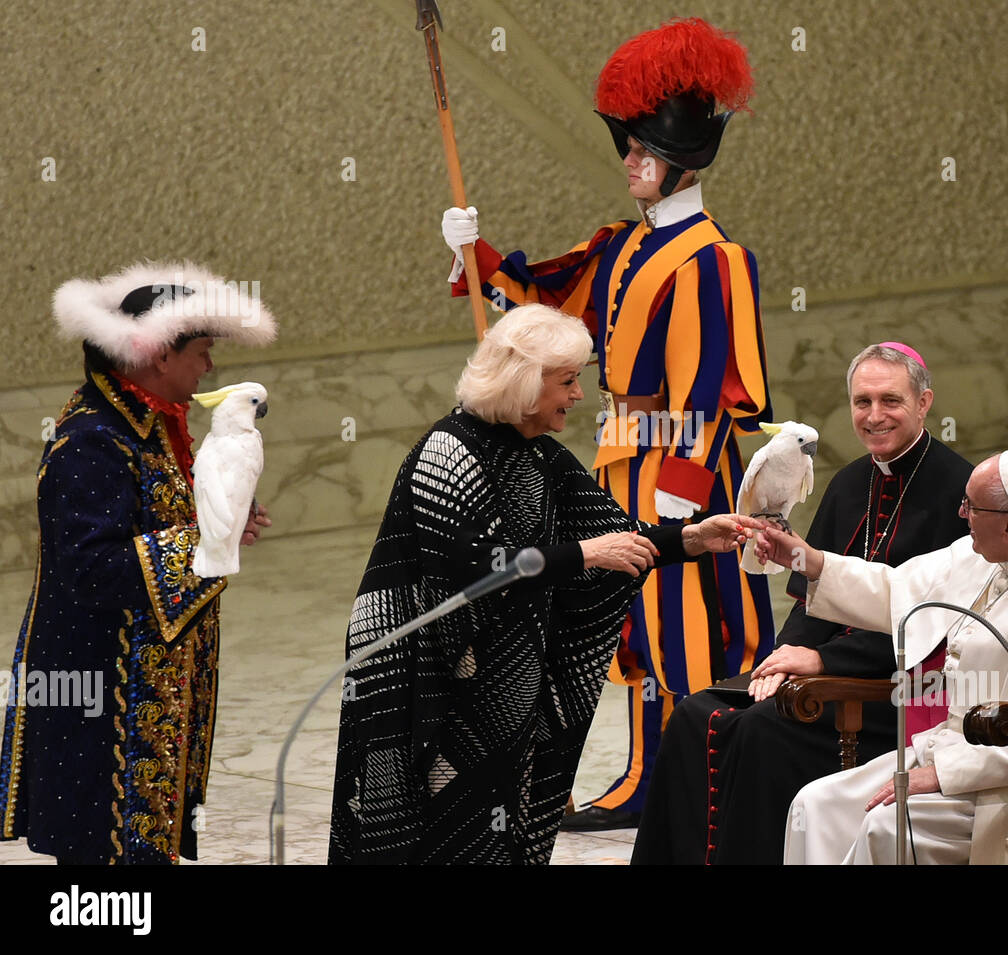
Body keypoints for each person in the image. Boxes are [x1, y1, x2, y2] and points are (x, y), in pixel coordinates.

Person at [441, 18, 772, 830]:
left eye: (639, 145)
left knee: (689, 626)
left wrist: (682, 503)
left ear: (681, 156)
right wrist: (475, 255)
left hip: (675, 470)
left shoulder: (710, 258)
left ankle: (702, 777)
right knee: (634, 625)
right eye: (626, 143)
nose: (627, 157)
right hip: (625, 460)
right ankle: (645, 774)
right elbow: (548, 306)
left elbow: (706, 400)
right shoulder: (626, 244)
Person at [327, 304, 756, 864]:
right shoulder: (449, 450)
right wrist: (582, 555)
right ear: (525, 382)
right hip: (424, 679)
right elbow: (475, 571)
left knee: (497, 826)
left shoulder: (541, 457)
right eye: (568, 381)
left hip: (500, 681)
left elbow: (615, 538)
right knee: (429, 830)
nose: (579, 396)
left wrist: (693, 539)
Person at [631, 343, 973, 864]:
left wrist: (823, 662)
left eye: (890, 400)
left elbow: (939, 621)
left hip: (899, 692)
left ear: (924, 403)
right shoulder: (848, 482)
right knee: (694, 714)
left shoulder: (958, 490)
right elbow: (808, 599)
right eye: (862, 402)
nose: (874, 416)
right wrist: (782, 658)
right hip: (823, 673)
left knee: (758, 732)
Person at [0, 262, 277, 864]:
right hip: (98, 693)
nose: (208, 368)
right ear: (158, 357)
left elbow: (163, 517)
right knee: (99, 859)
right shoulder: (91, 441)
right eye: (202, 352)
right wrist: (204, 542)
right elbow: (90, 570)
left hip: (144, 680)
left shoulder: (150, 428)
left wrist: (225, 517)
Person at [748, 451, 1008, 865]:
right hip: (959, 751)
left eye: (971, 507)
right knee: (816, 805)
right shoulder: (991, 552)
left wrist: (944, 773)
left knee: (888, 825)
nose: (961, 513)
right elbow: (896, 588)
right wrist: (808, 561)